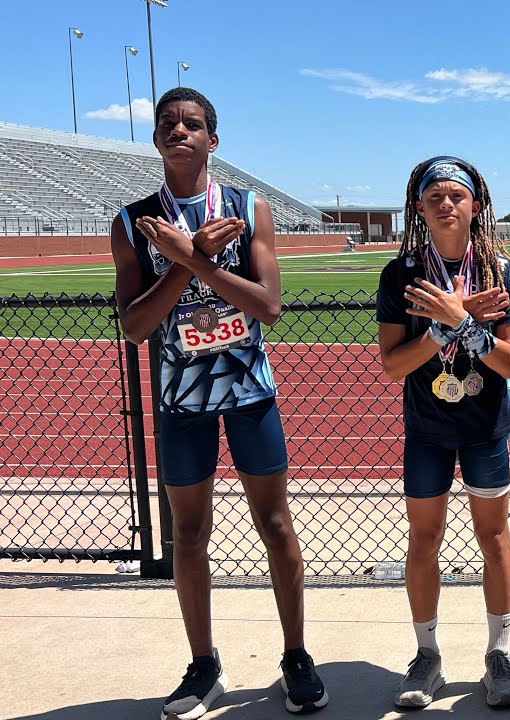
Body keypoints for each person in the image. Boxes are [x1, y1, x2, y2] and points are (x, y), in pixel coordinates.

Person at [111, 87, 327, 719]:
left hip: (247, 389)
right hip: (181, 397)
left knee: (277, 524)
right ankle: (204, 664)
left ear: (213, 138)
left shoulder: (248, 208)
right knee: (188, 532)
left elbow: (268, 306)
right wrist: (190, 259)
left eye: (194, 123)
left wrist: (197, 261)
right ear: (155, 139)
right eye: (168, 124)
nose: (181, 130)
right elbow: (135, 325)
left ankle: (295, 657)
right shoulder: (133, 222)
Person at [375, 156, 510, 710]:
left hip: (485, 426)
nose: (447, 203)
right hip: (427, 428)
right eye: (435, 195)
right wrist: (443, 326)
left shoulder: (503, 273)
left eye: (457, 195)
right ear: (418, 206)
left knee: (494, 539)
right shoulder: (401, 275)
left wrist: (464, 324)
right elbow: (393, 365)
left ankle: (499, 655)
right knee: (424, 541)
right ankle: (427, 655)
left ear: (476, 205)